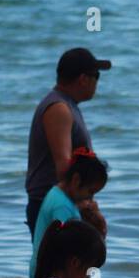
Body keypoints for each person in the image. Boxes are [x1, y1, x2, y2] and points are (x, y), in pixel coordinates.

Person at [25, 47, 111, 238]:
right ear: (83, 79)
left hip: (64, 202)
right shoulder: (59, 109)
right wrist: (83, 206)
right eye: (96, 76)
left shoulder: (67, 105)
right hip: (54, 206)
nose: (97, 82)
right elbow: (63, 166)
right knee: (57, 267)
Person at [28, 147, 108, 278]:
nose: (91, 198)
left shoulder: (59, 196)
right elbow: (66, 251)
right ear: (76, 180)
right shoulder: (62, 207)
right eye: (90, 191)